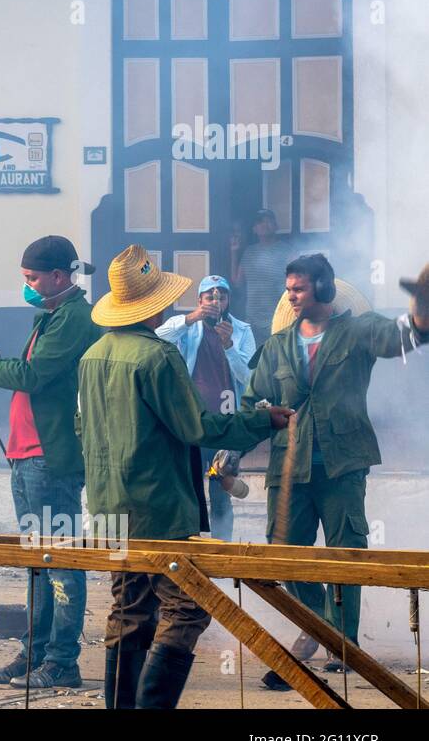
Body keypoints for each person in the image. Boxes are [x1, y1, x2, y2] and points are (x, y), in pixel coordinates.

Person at [78, 245, 292, 709]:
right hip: (159, 507)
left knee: (129, 607)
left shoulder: (92, 355)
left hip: (108, 509)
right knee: (187, 605)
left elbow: (83, 429)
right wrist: (260, 421)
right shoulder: (157, 358)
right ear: (154, 305)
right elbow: (197, 426)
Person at [244, 253, 429, 689]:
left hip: (343, 463)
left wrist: (421, 313)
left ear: (324, 288)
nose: (292, 296)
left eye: (300, 288)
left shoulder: (358, 332)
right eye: (288, 289)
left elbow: (402, 337)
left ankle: (342, 646)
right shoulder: (276, 347)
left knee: (345, 555)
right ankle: (320, 626)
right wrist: (235, 445)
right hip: (289, 467)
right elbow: (253, 401)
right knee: (285, 555)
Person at [0, 235, 99, 690]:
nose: (26, 285)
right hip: (27, 455)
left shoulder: (72, 319)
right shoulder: (50, 316)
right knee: (39, 560)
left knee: (61, 560)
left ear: (58, 277)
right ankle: (35, 655)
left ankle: (63, 660)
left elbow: (30, 375)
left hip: (52, 458)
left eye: (31, 278)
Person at [154, 275, 256, 541]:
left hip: (224, 423)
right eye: (209, 297)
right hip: (193, 422)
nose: (216, 301)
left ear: (228, 300)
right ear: (200, 301)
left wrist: (230, 347)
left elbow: (249, 377)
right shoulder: (188, 328)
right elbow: (156, 336)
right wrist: (191, 318)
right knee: (189, 488)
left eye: (221, 297)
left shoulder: (242, 330)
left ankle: (222, 549)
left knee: (221, 489)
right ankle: (192, 547)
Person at [230, 209, 293, 348]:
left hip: (278, 315)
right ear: (254, 229)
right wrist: (234, 253)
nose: (265, 224)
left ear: (276, 226)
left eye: (269, 220)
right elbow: (237, 282)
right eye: (260, 222)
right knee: (255, 360)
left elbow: (295, 281)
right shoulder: (249, 252)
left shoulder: (286, 251)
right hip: (253, 317)